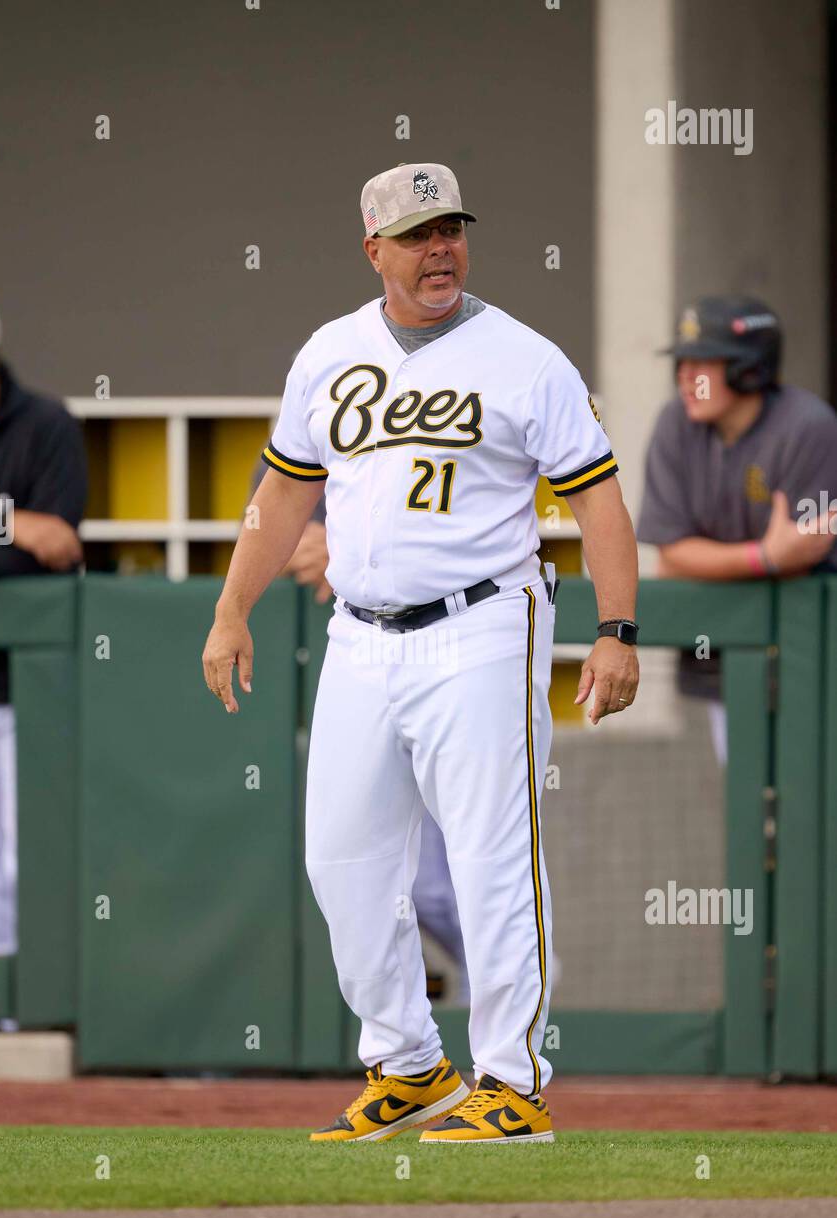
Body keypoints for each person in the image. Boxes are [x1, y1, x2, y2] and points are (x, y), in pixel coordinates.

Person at [203, 163, 639, 1143]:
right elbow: (280, 498)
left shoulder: (526, 359)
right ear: (374, 251)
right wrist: (233, 606)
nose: (438, 247)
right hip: (358, 632)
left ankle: (512, 1080)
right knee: (340, 860)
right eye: (415, 233)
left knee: (491, 857)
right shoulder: (328, 352)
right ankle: (406, 1062)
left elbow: (599, 502)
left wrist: (616, 629)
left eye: (449, 228)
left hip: (485, 620)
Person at [250, 445, 472, 1007]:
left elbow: (468, 528)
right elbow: (267, 527)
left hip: (455, 654)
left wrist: (346, 545)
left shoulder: (455, 399)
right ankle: (411, 1054)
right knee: (361, 874)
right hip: (352, 670)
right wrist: (335, 548)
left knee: (451, 878)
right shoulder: (326, 396)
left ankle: (506, 1015)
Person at [638, 296, 837, 762]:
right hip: (725, 662)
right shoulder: (676, 425)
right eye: (681, 363)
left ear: (749, 369)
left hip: (811, 661)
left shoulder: (810, 428)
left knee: (814, 815)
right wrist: (763, 558)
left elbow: (805, 558)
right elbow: (671, 557)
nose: (685, 377)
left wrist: (719, 562)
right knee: (755, 813)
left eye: (702, 363)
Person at [0, 288, 87, 961]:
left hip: (33, 689)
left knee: (33, 853)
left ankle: (38, 1000)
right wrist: (14, 526)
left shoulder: (46, 424)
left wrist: (23, 533)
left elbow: (62, 543)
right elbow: (34, 536)